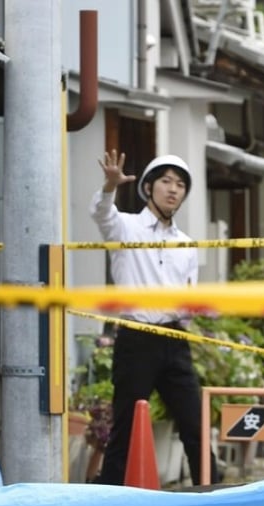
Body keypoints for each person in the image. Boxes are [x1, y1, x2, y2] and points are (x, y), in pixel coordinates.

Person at [89, 150, 222, 486]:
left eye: (180, 184)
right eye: (166, 181)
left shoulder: (187, 244)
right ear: (148, 187)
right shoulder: (126, 227)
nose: (173, 189)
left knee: (195, 425)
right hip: (136, 338)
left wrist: (196, 311)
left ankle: (213, 497)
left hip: (176, 339)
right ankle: (110, 503)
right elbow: (101, 214)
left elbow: (189, 296)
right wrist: (109, 185)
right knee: (126, 426)